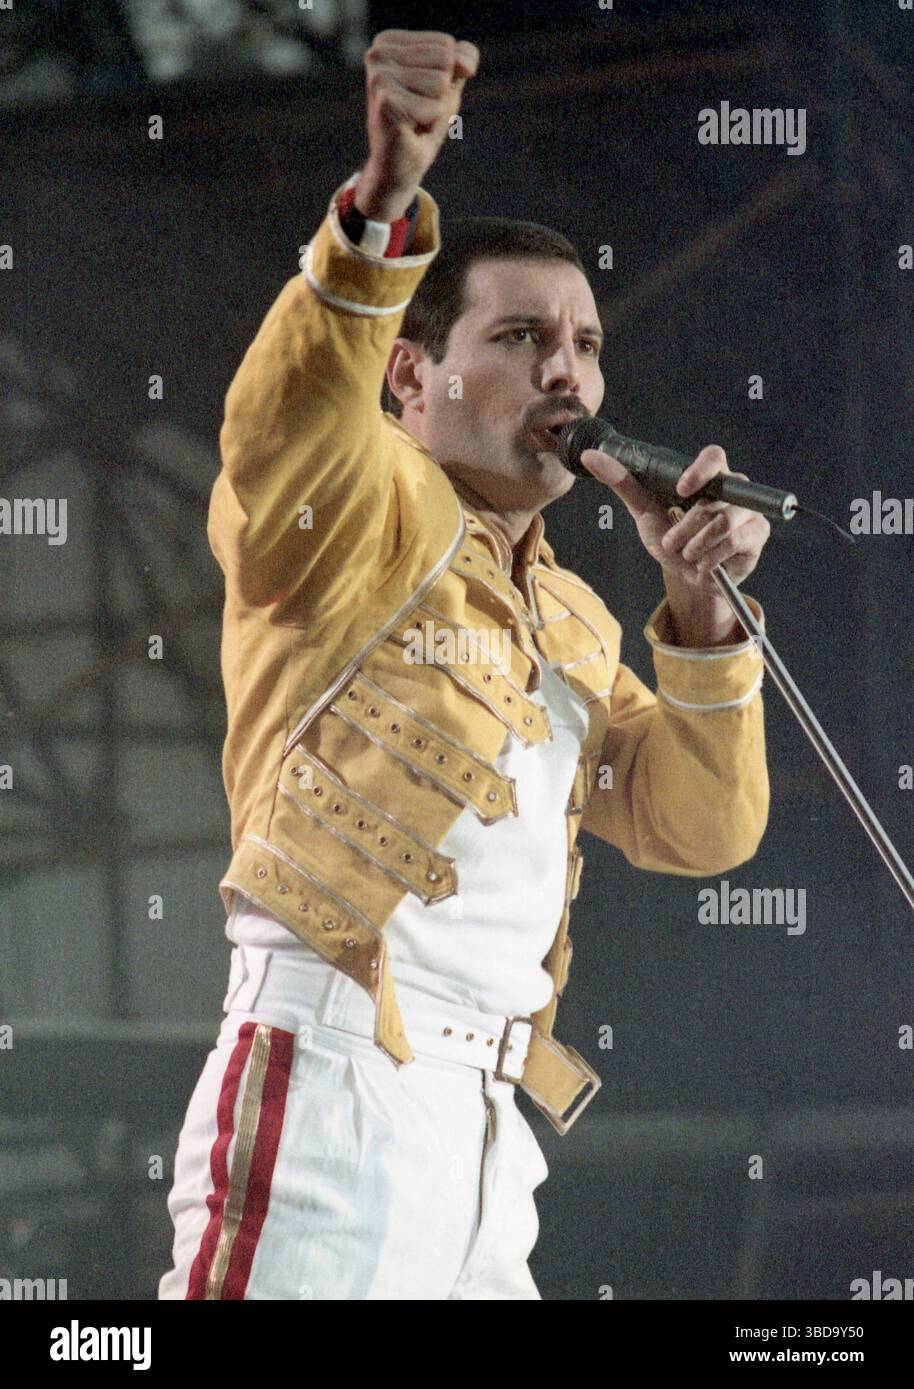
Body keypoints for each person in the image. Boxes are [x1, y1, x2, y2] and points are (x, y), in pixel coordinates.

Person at [159, 29, 771, 1301]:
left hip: (491, 1131)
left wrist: (699, 612)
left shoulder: (572, 616)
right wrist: (381, 208)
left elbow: (697, 829)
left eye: (588, 345)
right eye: (518, 338)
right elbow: (286, 425)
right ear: (409, 377)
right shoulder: (359, 504)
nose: (567, 369)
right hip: (331, 1081)